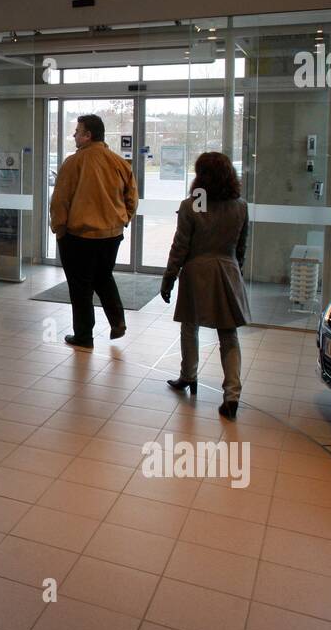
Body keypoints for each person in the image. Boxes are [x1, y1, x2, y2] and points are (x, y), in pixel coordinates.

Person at [160, 151, 251, 419]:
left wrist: (169, 278)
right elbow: (242, 247)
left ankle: (188, 375)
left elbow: (180, 247)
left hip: (196, 271)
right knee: (228, 333)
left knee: (190, 324)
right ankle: (232, 394)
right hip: (228, 270)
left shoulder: (193, 206)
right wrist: (235, 270)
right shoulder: (240, 206)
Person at [49, 114, 139, 348]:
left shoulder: (73, 163)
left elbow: (60, 200)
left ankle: (84, 336)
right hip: (111, 235)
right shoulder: (119, 163)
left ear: (88, 136)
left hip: (79, 236)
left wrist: (59, 229)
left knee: (80, 288)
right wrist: (123, 219)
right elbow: (132, 198)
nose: (74, 135)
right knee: (103, 277)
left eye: (77, 131)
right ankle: (117, 321)